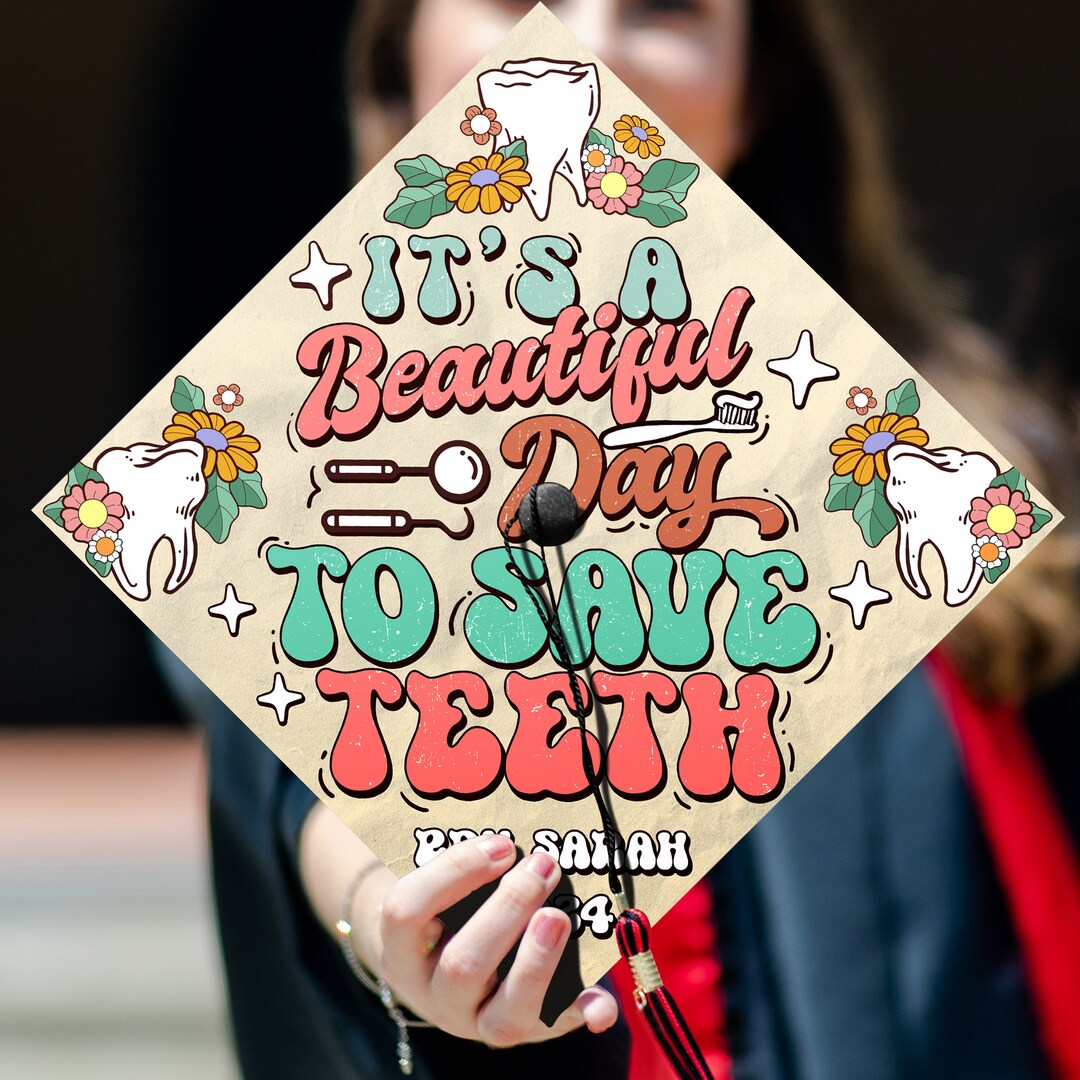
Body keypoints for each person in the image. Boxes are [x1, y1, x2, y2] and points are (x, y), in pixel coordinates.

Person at [167, 1, 1080, 1077]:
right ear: (398, 65)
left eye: (664, 6)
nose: (585, 50)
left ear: (759, 92)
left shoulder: (934, 469)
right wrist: (390, 918)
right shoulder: (269, 473)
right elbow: (294, 783)